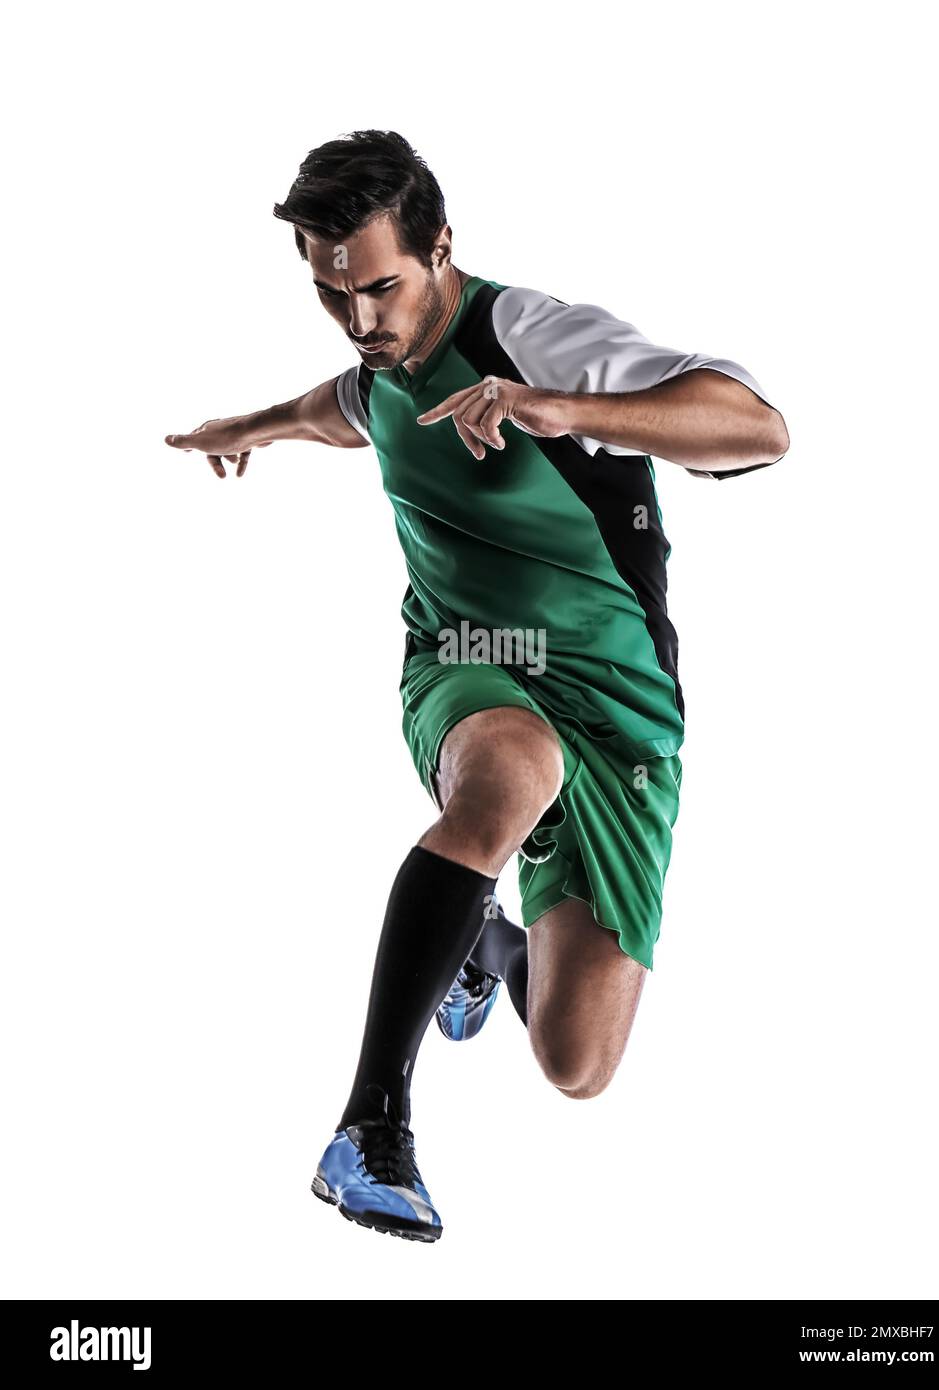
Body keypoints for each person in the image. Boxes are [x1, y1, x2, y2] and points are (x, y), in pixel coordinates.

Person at [165, 129, 790, 1244]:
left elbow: (756, 431)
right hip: (468, 660)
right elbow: (344, 411)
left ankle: (481, 937)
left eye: (381, 289)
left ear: (442, 244)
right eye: (330, 294)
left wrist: (569, 409)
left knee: (576, 1062)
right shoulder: (379, 360)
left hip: (619, 702)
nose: (362, 322)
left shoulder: (533, 334)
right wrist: (248, 427)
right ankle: (370, 1127)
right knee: (509, 770)